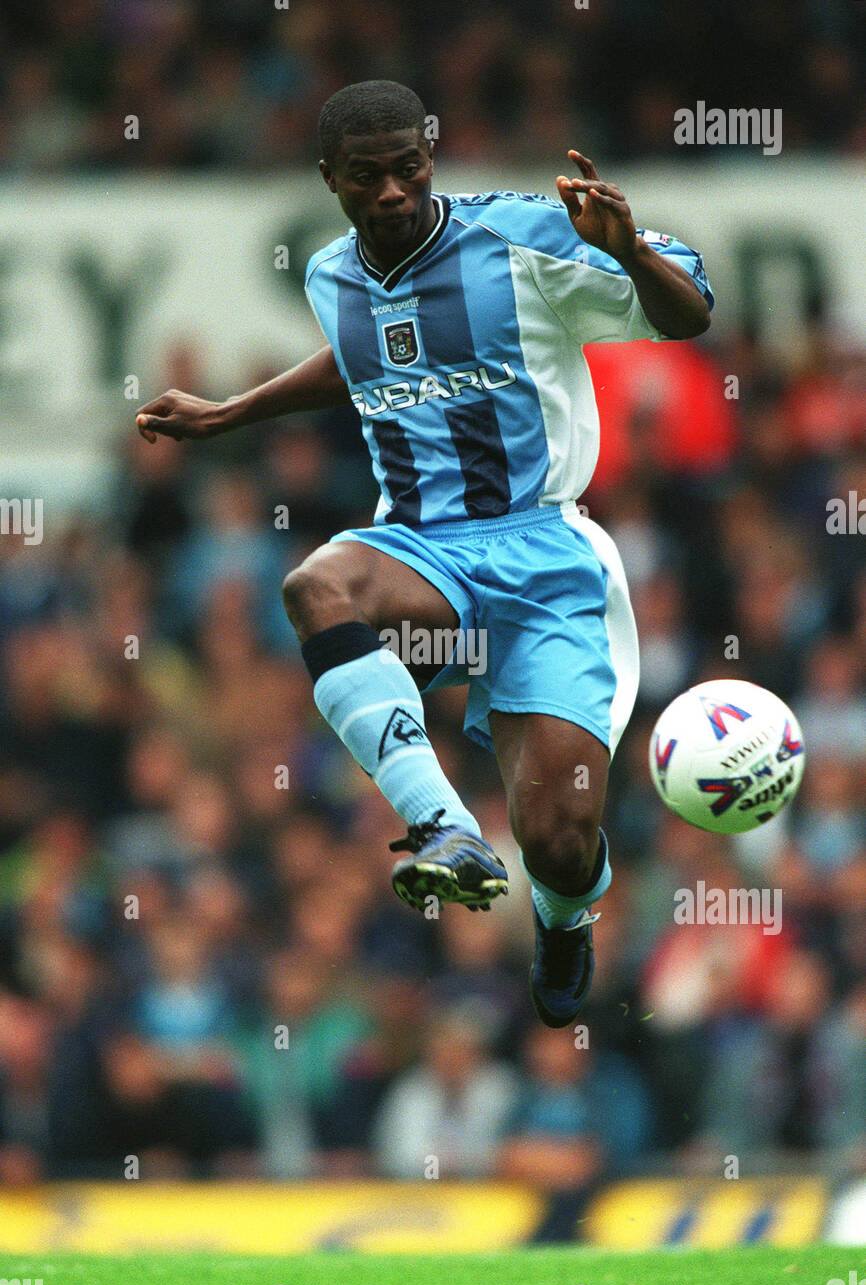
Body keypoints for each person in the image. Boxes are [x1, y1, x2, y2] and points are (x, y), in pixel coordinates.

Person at [136, 80, 713, 1027]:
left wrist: (630, 251)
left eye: (410, 169)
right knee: (318, 585)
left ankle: (562, 917)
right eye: (370, 178)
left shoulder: (529, 236)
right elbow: (364, 357)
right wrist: (233, 413)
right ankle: (444, 827)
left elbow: (690, 317)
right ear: (332, 181)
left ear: (429, 160)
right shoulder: (331, 276)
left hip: (546, 559)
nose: (395, 192)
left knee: (563, 841)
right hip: (421, 551)